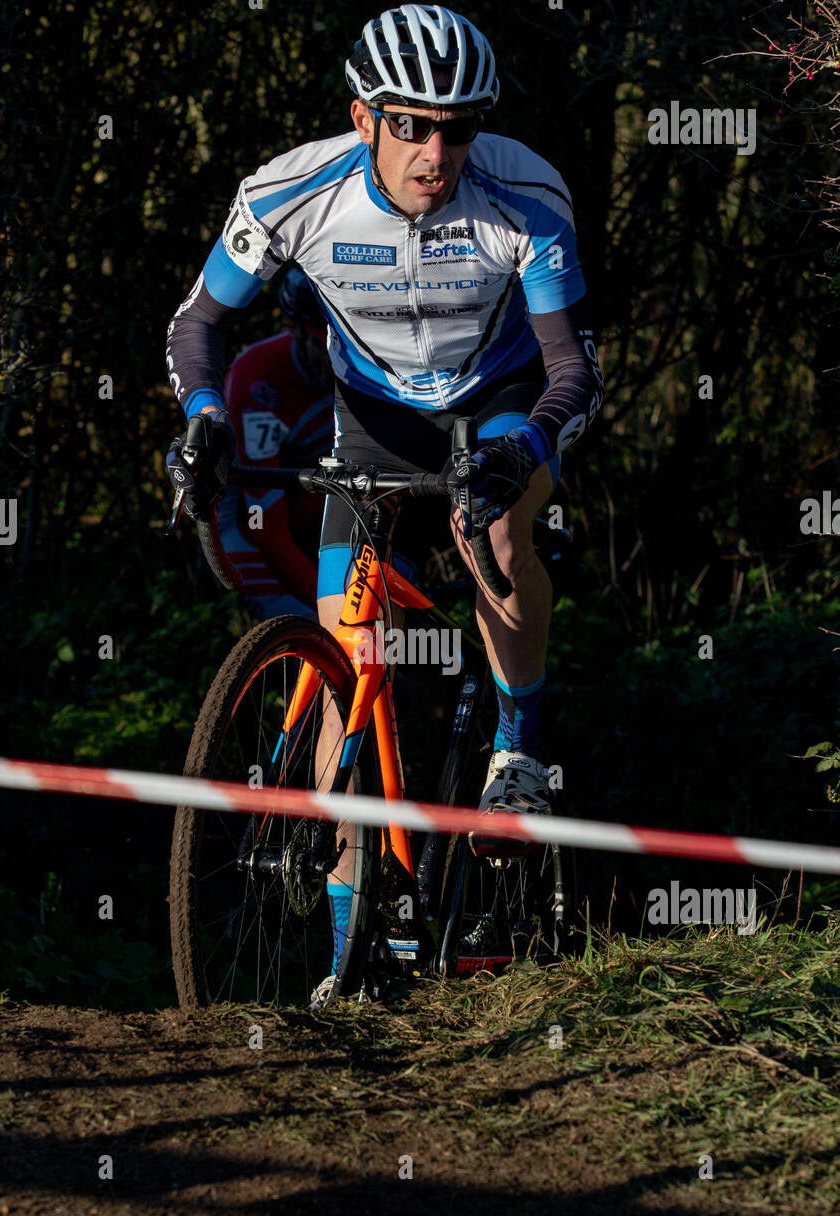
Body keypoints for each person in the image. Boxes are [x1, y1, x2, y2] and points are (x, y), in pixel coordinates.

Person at [165, 5, 604, 999]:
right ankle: (349, 954)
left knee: (488, 523)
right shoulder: (289, 192)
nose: (435, 151)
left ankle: (517, 745)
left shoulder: (523, 193)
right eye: (411, 124)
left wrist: (527, 444)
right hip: (369, 417)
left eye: (457, 127)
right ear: (362, 117)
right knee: (342, 655)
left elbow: (571, 364)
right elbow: (198, 326)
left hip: (502, 398)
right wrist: (202, 414)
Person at [192, 266, 334, 620]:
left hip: (311, 502)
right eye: (323, 345)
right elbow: (268, 532)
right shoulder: (258, 378)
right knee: (319, 625)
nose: (336, 358)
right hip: (249, 522)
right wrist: (338, 615)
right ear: (295, 330)